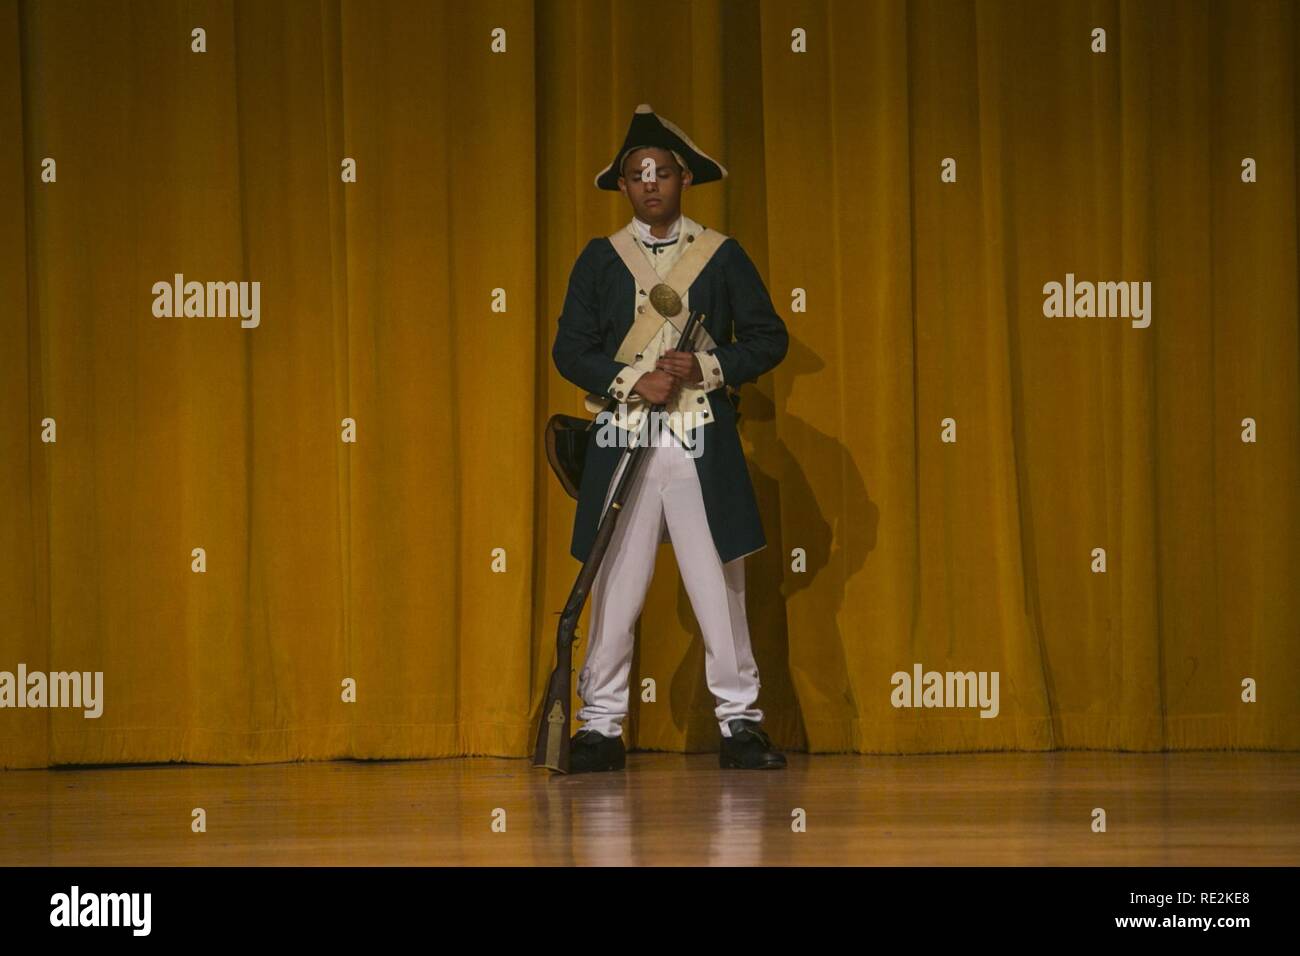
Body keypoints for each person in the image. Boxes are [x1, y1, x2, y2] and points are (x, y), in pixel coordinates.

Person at [552, 104, 788, 772]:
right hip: (623, 439)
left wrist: (707, 368)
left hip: (699, 440)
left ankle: (741, 723)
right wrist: (632, 379)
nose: (649, 183)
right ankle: (599, 725)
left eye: (660, 172)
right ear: (623, 187)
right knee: (615, 584)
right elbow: (569, 350)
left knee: (720, 585)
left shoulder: (722, 255)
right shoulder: (599, 261)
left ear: (684, 178)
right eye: (636, 174)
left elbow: (770, 337)